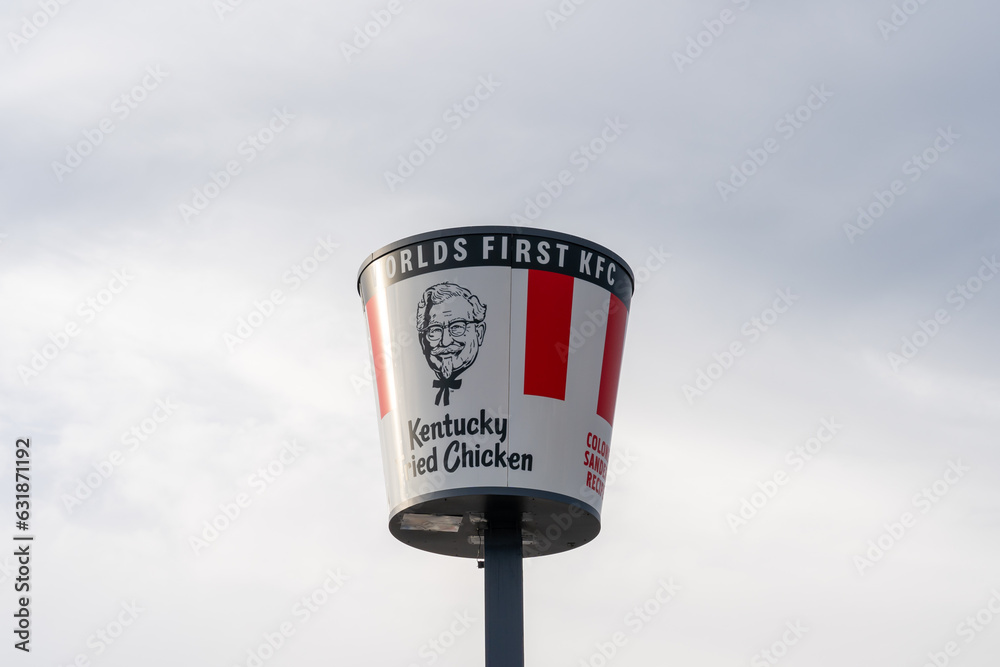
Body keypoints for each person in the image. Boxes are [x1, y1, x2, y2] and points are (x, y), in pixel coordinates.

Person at [415, 282, 487, 406]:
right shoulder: (414, 399)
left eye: (457, 326)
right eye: (435, 330)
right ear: (422, 341)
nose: (445, 341)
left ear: (479, 333)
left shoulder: (497, 385)